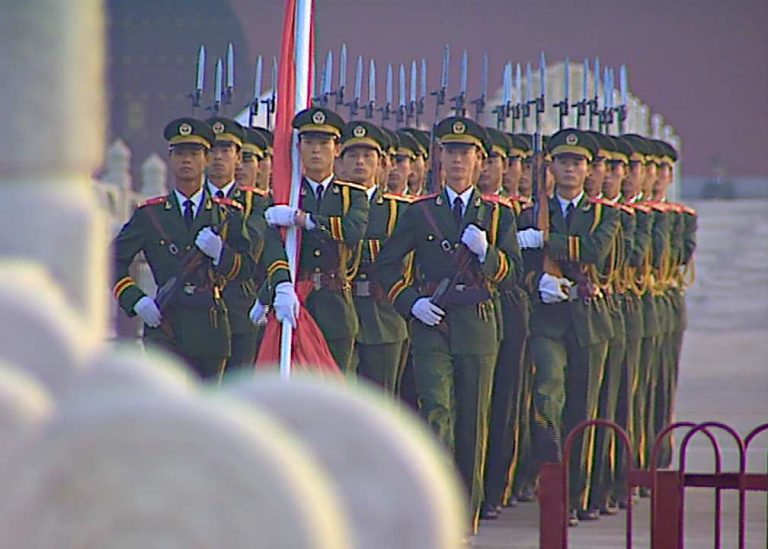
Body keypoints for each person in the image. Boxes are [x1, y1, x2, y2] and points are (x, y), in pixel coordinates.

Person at [376, 116, 522, 530]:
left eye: (466, 153)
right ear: (439, 158)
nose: (458, 160)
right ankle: (437, 509)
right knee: (436, 412)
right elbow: (386, 266)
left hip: (477, 323)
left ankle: (466, 514)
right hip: (431, 324)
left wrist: (487, 255)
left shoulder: (497, 217)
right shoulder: (420, 213)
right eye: (451, 152)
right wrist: (410, 303)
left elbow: (511, 277)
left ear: (480, 161)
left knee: (472, 420)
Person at [519, 129, 619, 525]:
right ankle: (553, 488)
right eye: (563, 161)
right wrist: (537, 282)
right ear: (551, 167)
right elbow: (517, 268)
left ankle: (576, 495)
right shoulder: (530, 212)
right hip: (546, 322)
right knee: (548, 399)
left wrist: (546, 238)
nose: (570, 169)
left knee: (582, 411)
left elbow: (594, 251)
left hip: (588, 324)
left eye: (577, 162)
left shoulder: (603, 214)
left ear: (588, 169)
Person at [112, 117, 254, 380]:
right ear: (170, 159)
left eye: (194, 153)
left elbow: (247, 269)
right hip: (166, 324)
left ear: (207, 159)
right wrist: (137, 300)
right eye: (179, 153)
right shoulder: (151, 214)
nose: (186, 160)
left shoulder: (226, 213)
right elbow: (111, 261)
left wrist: (221, 254)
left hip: (210, 328)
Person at [264, 107, 369, 373]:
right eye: (308, 142)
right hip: (298, 299)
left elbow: (352, 229)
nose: (316, 150)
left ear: (337, 148)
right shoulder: (286, 195)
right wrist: (275, 289)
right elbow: (271, 246)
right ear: (298, 147)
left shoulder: (351, 195)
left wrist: (303, 219)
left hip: (336, 305)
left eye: (324, 143)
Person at [339, 121, 410, 392]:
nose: (360, 162)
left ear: (381, 163)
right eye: (353, 155)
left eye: (368, 155)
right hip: (338, 310)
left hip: (383, 316)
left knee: (380, 403)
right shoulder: (329, 205)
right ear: (341, 162)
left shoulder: (399, 210)